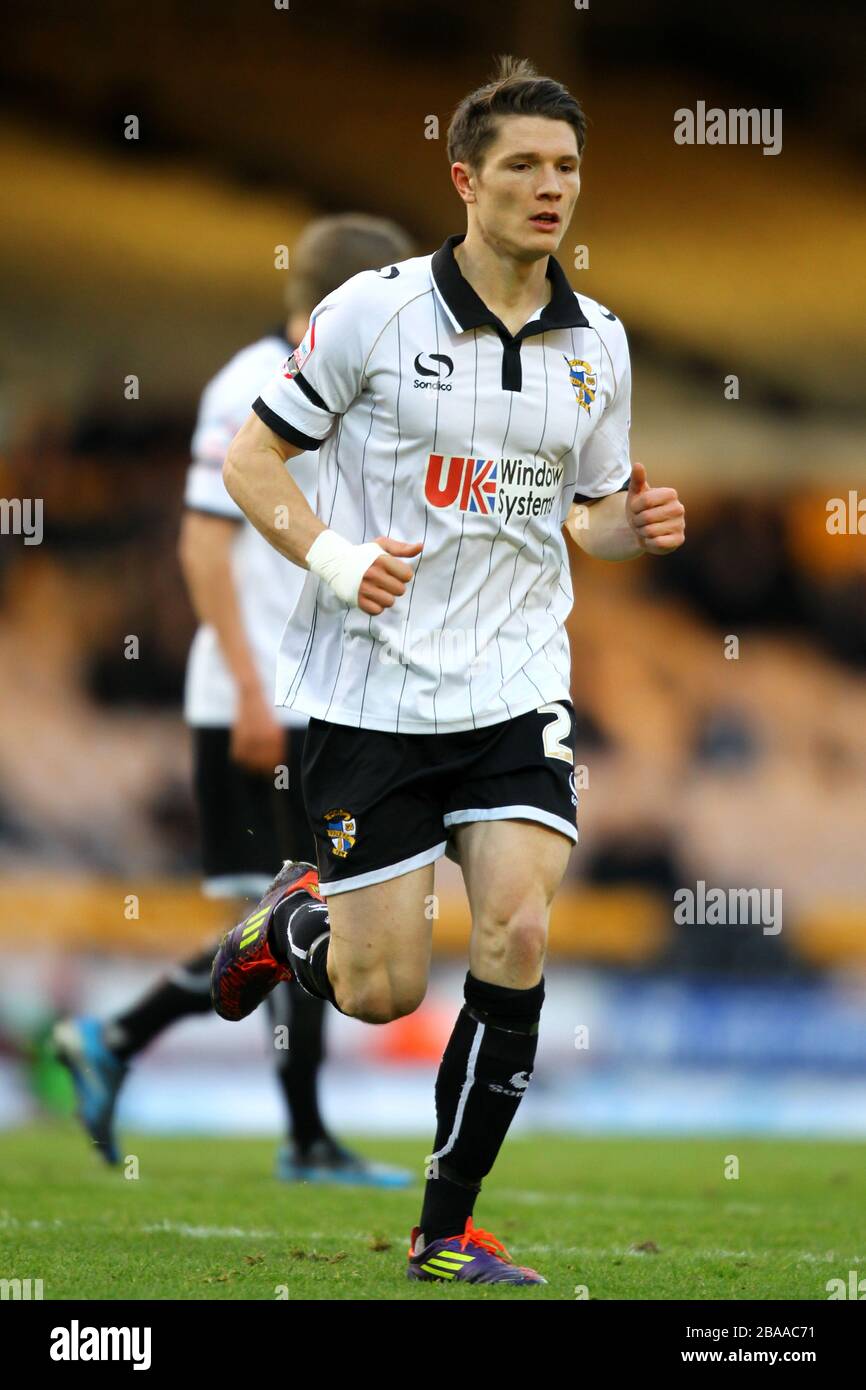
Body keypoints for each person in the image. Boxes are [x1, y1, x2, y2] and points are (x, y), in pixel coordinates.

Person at [212, 56, 686, 1284]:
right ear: (464, 178)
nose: (549, 187)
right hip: (368, 691)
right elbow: (251, 466)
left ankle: (444, 1227)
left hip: (517, 685)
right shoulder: (373, 313)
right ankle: (293, 923)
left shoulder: (601, 346)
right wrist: (332, 554)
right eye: (523, 164)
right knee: (377, 989)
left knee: (518, 929)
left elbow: (589, 514)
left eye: (567, 166)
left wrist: (634, 526)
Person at [54, 214, 415, 1188]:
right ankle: (141, 1050)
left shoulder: (342, 391)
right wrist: (253, 692)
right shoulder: (250, 384)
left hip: (314, 698)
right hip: (259, 703)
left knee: (288, 929)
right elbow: (202, 545)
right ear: (344, 301)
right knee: (296, 921)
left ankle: (135, 1049)